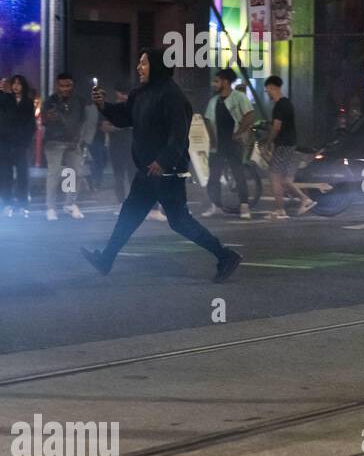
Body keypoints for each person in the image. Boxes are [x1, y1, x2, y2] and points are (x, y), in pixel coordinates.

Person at [82, 50, 242, 282]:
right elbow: (126, 116)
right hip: (148, 170)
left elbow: (178, 135)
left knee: (179, 221)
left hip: (167, 171)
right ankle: (106, 259)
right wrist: (103, 106)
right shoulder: (140, 93)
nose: (139, 67)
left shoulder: (172, 96)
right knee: (130, 214)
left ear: (156, 66)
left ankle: (225, 256)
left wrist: (163, 160)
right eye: (139, 63)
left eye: (144, 63)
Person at [201, 68, 255, 219]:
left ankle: (244, 206)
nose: (214, 84)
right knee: (213, 176)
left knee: (238, 174)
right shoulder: (214, 101)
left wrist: (239, 133)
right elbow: (207, 120)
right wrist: (211, 140)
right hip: (217, 144)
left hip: (233, 143)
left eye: (217, 81)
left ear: (226, 82)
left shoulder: (239, 97)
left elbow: (250, 115)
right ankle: (215, 205)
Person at [261, 76, 315, 219]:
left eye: (268, 90)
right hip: (290, 144)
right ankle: (305, 199)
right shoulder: (287, 103)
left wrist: (268, 141)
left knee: (274, 176)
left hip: (283, 144)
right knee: (285, 179)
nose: (268, 93)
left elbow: (276, 126)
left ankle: (280, 210)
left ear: (273, 87)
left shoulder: (280, 105)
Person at [41, 73, 86, 220]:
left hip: (73, 141)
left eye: (68, 85)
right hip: (54, 142)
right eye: (62, 85)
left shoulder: (78, 100)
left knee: (75, 173)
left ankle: (69, 203)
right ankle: (51, 207)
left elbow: (81, 121)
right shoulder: (50, 101)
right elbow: (46, 121)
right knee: (54, 174)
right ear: (57, 85)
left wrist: (79, 139)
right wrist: (51, 116)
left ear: (73, 85)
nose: (65, 88)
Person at [0, 74, 36, 217]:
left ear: (23, 86)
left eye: (19, 83)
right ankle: (7, 203)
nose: (16, 86)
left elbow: (31, 124)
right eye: (14, 83)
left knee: (23, 174)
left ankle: (23, 203)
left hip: (20, 144)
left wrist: (26, 141)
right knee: (6, 174)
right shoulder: (6, 99)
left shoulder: (28, 102)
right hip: (5, 142)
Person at [104, 85, 134, 202]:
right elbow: (104, 127)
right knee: (119, 176)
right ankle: (121, 202)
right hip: (116, 147)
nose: (126, 96)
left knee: (133, 175)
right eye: (123, 93)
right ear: (117, 93)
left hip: (133, 147)